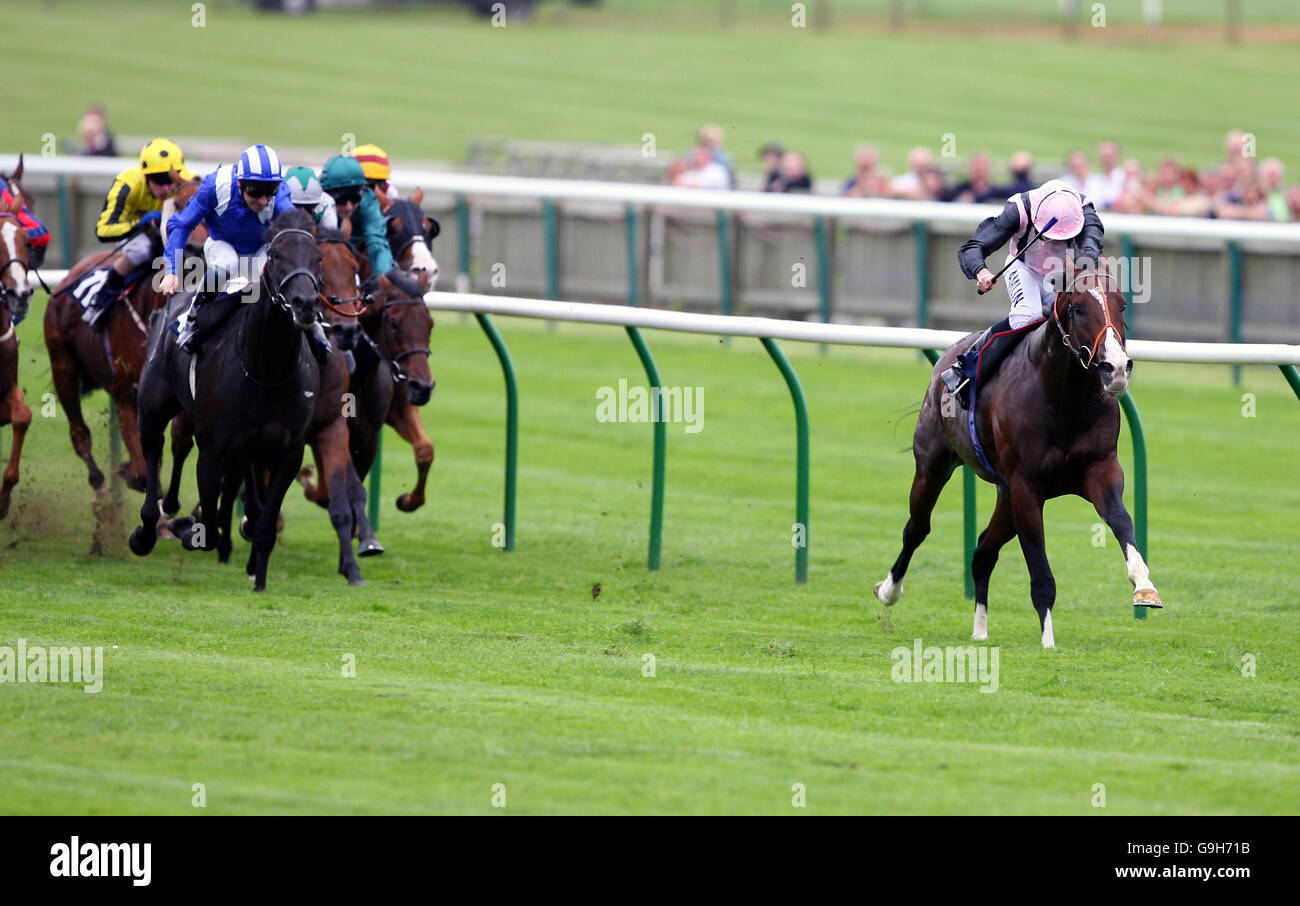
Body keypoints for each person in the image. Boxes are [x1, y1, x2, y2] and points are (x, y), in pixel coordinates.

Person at [941, 179, 1104, 409]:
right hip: (1024, 268)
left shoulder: (1084, 210)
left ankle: (1102, 372)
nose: (1055, 243)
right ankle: (966, 369)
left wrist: (1083, 262)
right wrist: (981, 270)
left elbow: (1092, 245)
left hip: (1065, 272)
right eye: (1051, 237)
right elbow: (974, 246)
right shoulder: (1019, 209)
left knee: (1080, 317)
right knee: (1028, 316)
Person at [161, 143, 330, 363]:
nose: (263, 201)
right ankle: (192, 318)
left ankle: (311, 322)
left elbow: (294, 235)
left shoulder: (279, 196)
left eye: (269, 193)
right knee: (228, 264)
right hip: (221, 244)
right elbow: (181, 225)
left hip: (260, 248)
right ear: (240, 183)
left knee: (271, 277)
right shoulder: (214, 186)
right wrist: (171, 269)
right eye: (255, 192)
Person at [83, 138, 197, 328]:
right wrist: (137, 224)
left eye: (171, 181)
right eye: (159, 182)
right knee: (141, 250)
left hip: (170, 234)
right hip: (136, 235)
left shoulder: (187, 180)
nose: (167, 188)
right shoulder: (127, 184)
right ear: (145, 177)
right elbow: (103, 230)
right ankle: (101, 298)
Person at [318, 155, 400, 277]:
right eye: (341, 199)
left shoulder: (368, 201)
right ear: (326, 193)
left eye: (355, 198)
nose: (349, 207)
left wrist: (385, 284)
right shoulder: (315, 202)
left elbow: (378, 246)